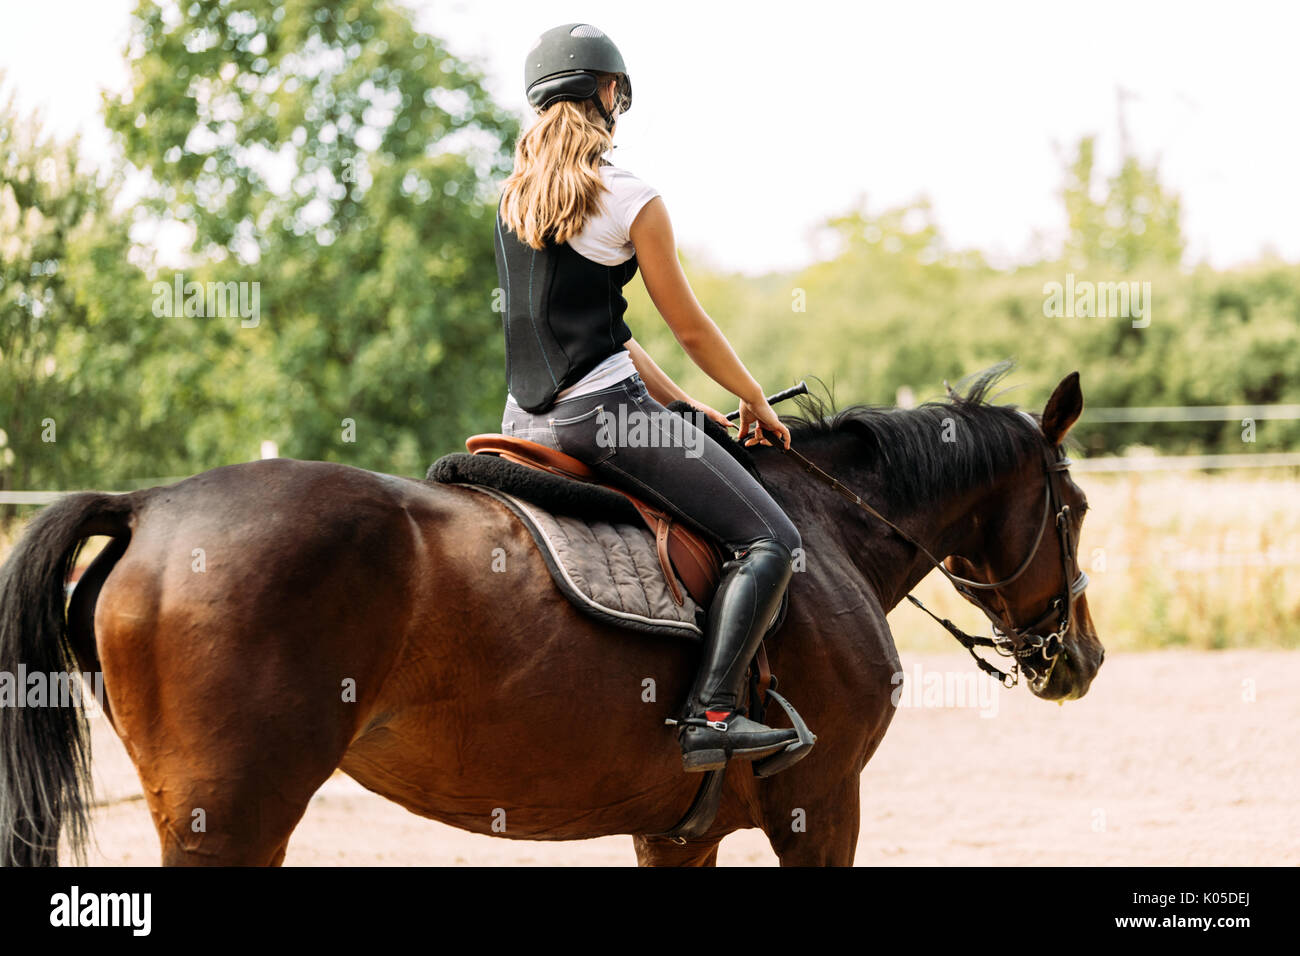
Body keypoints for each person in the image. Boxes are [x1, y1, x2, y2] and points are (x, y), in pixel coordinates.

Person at [494, 23, 810, 773]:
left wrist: (685, 409)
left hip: (524, 421)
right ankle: (711, 712)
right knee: (773, 542)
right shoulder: (632, 197)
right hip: (603, 421)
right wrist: (754, 399)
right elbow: (692, 328)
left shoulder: (513, 201)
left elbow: (607, 333)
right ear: (611, 93)